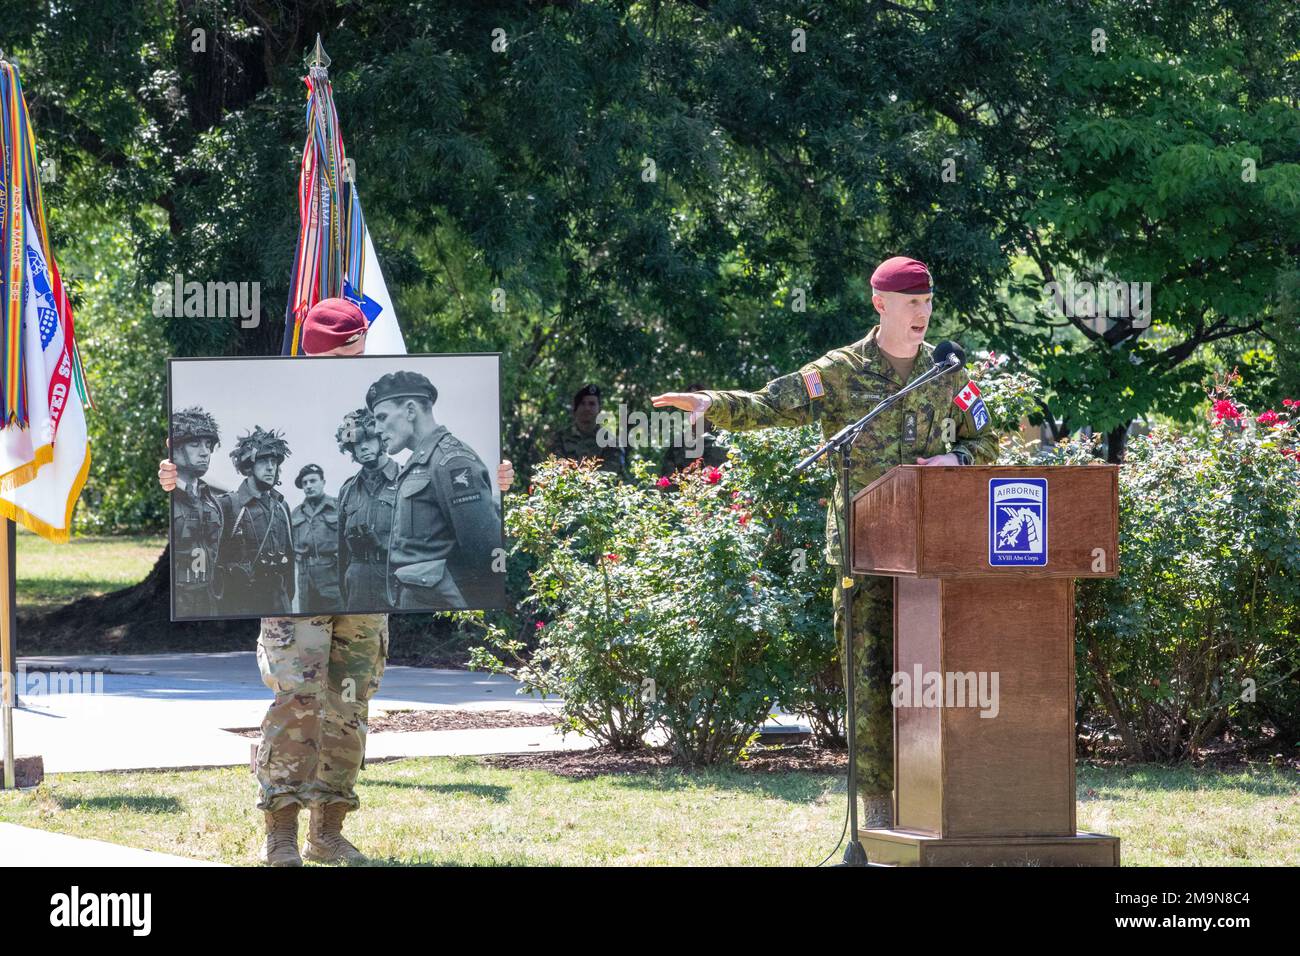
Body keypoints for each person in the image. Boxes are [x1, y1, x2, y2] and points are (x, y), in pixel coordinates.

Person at [159, 297, 516, 866]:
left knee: (349, 706)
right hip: (304, 602)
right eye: (357, 345)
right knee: (297, 702)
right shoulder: (301, 397)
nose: (365, 353)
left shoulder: (394, 443)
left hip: (365, 600)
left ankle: (328, 829)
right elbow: (219, 504)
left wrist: (493, 478)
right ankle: (280, 830)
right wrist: (177, 482)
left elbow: (441, 505)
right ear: (336, 346)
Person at [652, 256, 998, 833]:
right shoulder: (841, 371)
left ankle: (941, 799)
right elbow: (773, 402)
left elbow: (987, 438)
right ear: (879, 305)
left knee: (936, 676)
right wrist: (713, 404)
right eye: (911, 303)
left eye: (928, 302)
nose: (923, 314)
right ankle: (877, 812)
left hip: (936, 553)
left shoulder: (948, 373)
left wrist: (955, 458)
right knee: (868, 677)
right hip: (864, 548)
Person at [368, 371, 501, 610]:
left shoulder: (452, 461)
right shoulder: (417, 464)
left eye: (382, 417)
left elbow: (485, 554)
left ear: (410, 411)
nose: (376, 429)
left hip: (447, 615)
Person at [216, 427, 295, 615]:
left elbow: (290, 561)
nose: (270, 467)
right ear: (249, 466)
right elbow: (215, 560)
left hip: (279, 602)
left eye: (274, 461)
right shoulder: (229, 505)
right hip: (242, 603)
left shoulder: (282, 507)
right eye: (263, 461)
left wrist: (286, 600)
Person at [334, 409, 397, 611]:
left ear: (382, 440)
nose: (362, 448)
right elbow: (341, 550)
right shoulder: (347, 490)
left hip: (395, 580)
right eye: (356, 444)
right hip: (357, 585)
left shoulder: (406, 480)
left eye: (368, 439)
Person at [168, 407, 225, 618]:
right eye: (195, 444)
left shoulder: (212, 500)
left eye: (208, 445)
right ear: (173, 450)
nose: (205, 452)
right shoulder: (168, 495)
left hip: (209, 600)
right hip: (176, 600)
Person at [291, 464, 341, 613]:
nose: (308, 486)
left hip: (332, 576)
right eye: (304, 483)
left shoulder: (338, 507)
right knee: (308, 619)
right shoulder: (296, 513)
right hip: (305, 577)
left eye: (313, 481)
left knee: (337, 618)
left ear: (323, 482)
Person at [658, 383, 729, 488]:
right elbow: (667, 481)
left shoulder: (722, 439)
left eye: (698, 401)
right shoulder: (678, 445)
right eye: (690, 403)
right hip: (688, 499)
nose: (695, 408)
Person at [550, 383, 626, 477]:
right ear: (575, 408)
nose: (587, 408)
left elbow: (611, 474)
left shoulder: (611, 441)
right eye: (582, 403)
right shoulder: (559, 438)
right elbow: (555, 469)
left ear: (599, 408)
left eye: (592, 404)